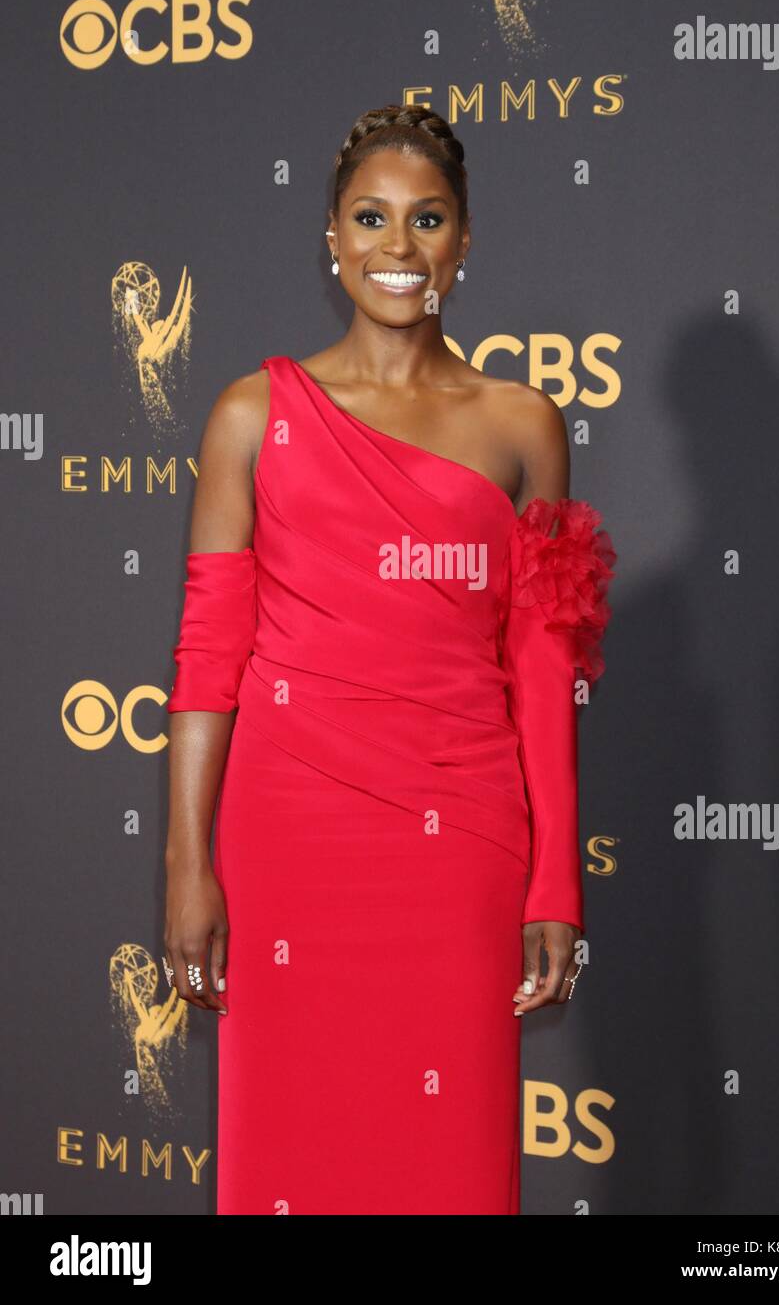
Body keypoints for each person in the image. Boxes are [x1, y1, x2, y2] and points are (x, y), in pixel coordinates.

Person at [163, 103, 616, 1215]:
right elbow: (210, 654)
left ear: (464, 242)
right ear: (330, 235)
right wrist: (187, 862)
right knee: (290, 1152)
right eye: (371, 218)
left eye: (427, 220)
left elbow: (544, 662)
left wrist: (553, 878)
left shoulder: (524, 425)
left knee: (445, 1163)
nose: (397, 248)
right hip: (287, 836)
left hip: (456, 840)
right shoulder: (250, 414)